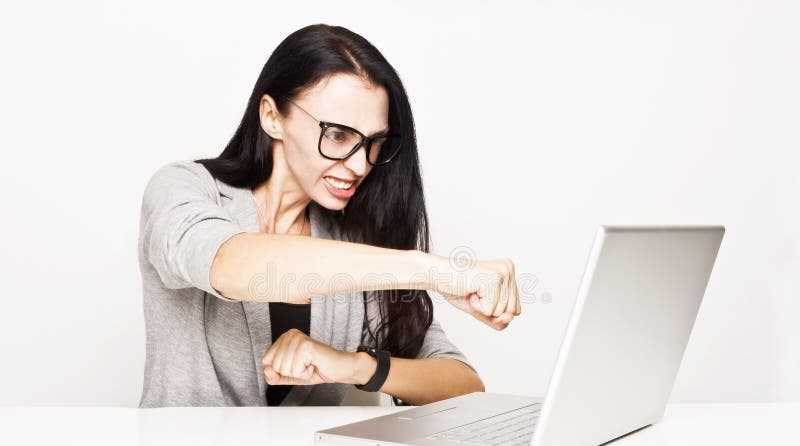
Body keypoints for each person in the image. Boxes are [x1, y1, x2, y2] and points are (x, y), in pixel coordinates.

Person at [137, 24, 521, 408]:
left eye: (373, 142)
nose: (360, 165)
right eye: (338, 135)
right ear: (272, 116)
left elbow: (464, 384)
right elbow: (230, 265)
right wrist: (435, 271)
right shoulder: (183, 188)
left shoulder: (353, 241)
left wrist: (356, 366)